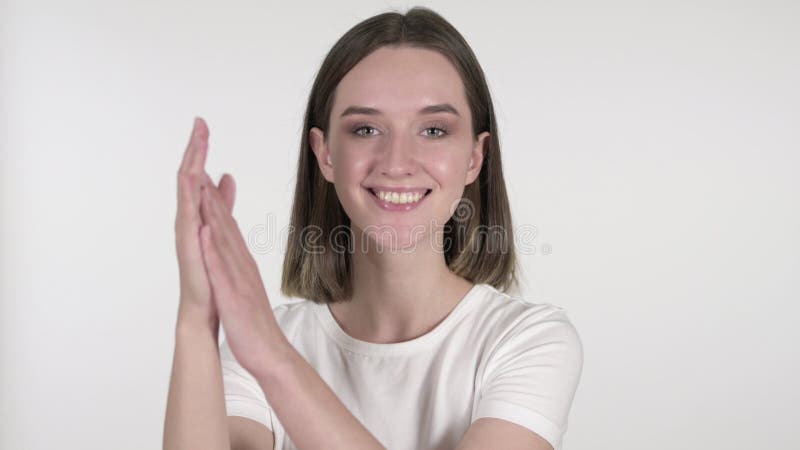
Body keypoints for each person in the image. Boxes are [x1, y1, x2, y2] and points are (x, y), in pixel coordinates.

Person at [163, 6, 583, 450]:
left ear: (475, 158)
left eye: (434, 130)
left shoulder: (526, 341)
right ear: (324, 153)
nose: (397, 162)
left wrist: (273, 359)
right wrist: (196, 315)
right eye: (365, 128)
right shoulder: (262, 344)